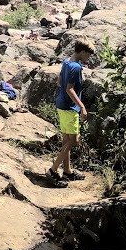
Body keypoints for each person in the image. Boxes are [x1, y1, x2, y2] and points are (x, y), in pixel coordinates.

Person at [47, 40, 94, 187]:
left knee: (67, 140)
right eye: (88, 55)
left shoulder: (67, 61)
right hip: (70, 107)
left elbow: (60, 81)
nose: (88, 58)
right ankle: (53, 171)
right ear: (83, 52)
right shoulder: (75, 67)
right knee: (73, 141)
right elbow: (69, 89)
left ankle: (67, 171)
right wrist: (82, 107)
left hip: (61, 104)